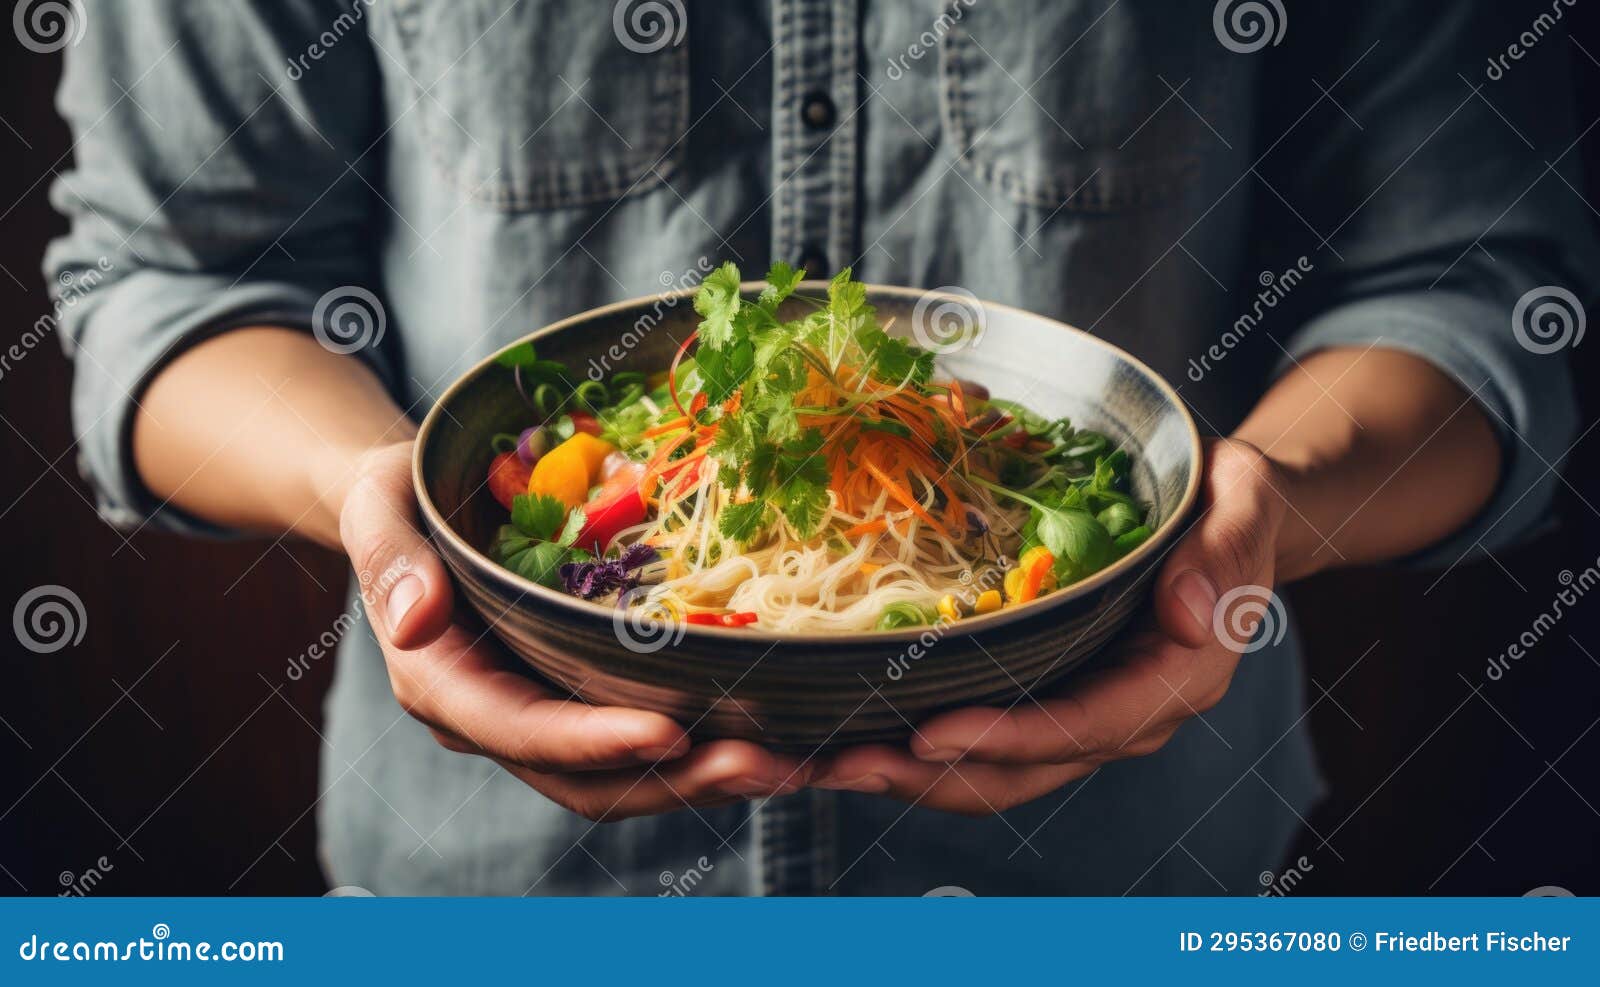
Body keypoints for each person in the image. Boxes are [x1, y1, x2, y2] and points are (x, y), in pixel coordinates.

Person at [47, 1, 1591, 895]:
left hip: (1128, 883)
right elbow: (174, 279)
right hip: (490, 899)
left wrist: (1254, 508)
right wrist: (376, 499)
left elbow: (1474, 292)